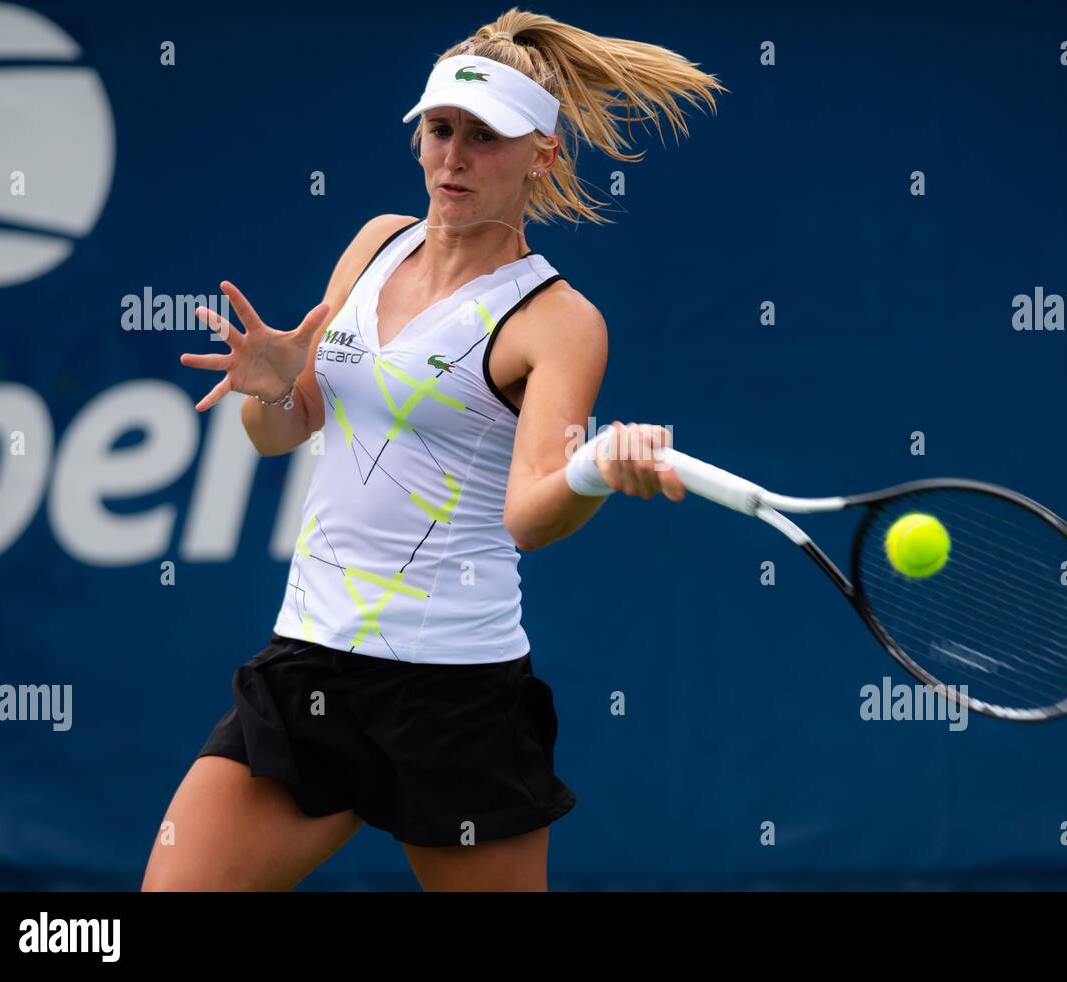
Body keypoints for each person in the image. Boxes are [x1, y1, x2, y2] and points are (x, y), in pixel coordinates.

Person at [142, 8, 726, 892]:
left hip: (456, 695)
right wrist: (271, 384)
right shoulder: (375, 244)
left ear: (543, 154)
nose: (453, 157)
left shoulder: (560, 321)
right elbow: (281, 432)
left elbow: (530, 515)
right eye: (439, 130)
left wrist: (594, 469)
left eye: (484, 138)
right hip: (308, 667)